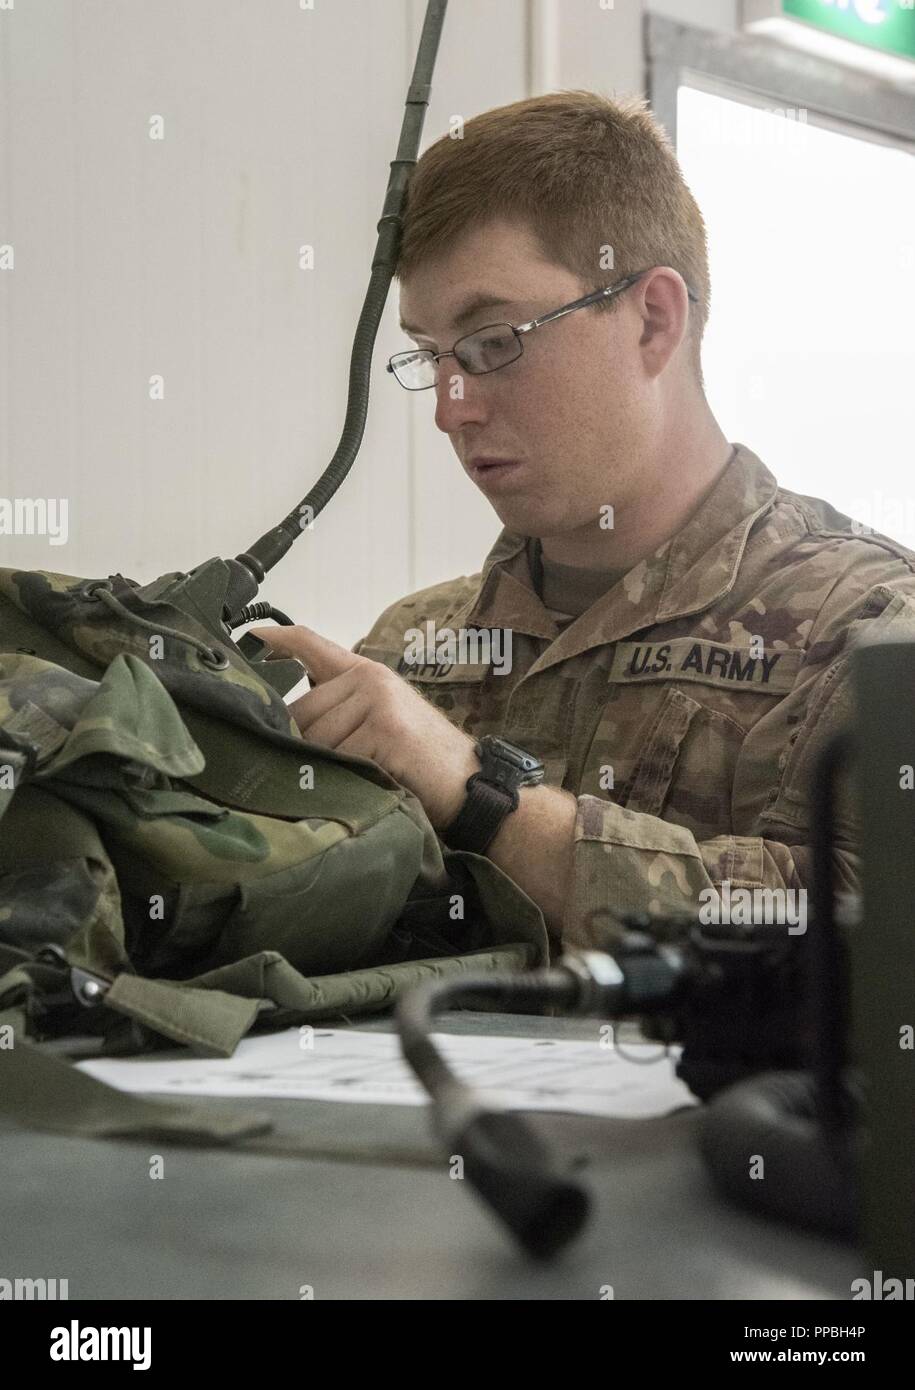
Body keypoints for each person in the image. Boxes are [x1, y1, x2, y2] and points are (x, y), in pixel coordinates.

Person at [253, 91, 915, 953]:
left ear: (653, 319)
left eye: (493, 342)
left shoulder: (869, 632)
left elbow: (871, 922)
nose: (450, 411)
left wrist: (484, 798)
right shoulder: (413, 649)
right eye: (429, 358)